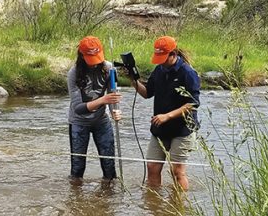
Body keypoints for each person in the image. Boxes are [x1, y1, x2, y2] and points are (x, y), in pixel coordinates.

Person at [130, 36, 200, 190]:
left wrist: (167, 116)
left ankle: (179, 206)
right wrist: (134, 81)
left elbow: (193, 103)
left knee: (177, 171)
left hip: (182, 129)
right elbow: (148, 93)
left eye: (163, 58)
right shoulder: (159, 70)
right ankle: (154, 208)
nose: (160, 62)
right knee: (152, 167)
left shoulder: (188, 73)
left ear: (173, 54)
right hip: (160, 128)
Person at [67, 36, 121, 182]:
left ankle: (108, 199)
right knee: (77, 169)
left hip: (101, 121)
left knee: (109, 166)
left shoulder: (109, 68)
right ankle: (76, 199)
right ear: (82, 56)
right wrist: (103, 100)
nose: (94, 64)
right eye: (90, 59)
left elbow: (112, 94)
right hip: (79, 122)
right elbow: (78, 108)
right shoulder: (74, 73)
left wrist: (115, 111)